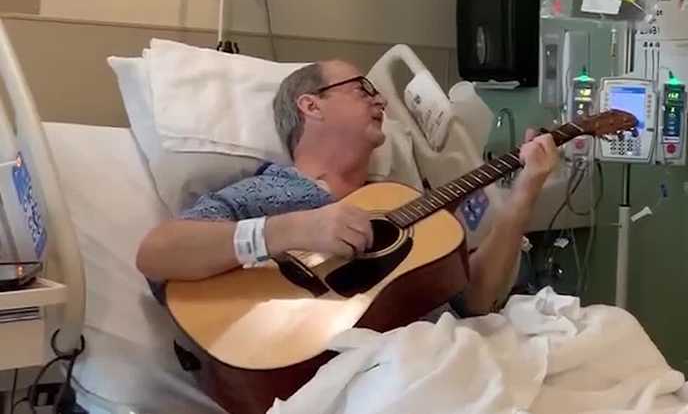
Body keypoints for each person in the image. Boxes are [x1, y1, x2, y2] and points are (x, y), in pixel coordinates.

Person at [136, 58, 558, 318]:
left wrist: (525, 194)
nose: (382, 102)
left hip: (429, 352)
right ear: (311, 105)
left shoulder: (400, 202)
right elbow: (157, 252)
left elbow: (477, 301)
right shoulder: (264, 194)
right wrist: (293, 231)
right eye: (363, 90)